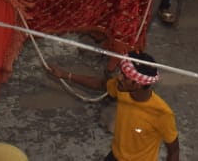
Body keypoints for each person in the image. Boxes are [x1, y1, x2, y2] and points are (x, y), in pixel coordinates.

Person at [46, 51, 180, 161]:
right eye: (121, 72)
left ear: (138, 84)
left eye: (125, 76)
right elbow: (99, 84)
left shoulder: (162, 113)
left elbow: (173, 151)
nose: (119, 77)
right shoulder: (122, 89)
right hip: (115, 156)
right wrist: (65, 74)